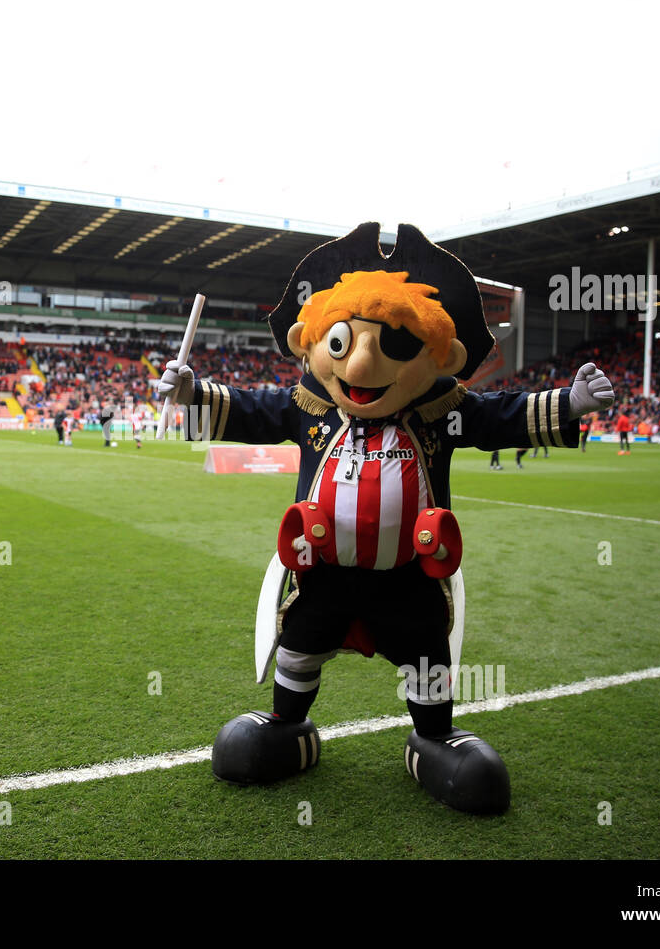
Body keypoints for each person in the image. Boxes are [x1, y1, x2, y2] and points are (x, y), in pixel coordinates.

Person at [160, 223, 616, 814]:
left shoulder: (439, 412)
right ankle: (287, 725)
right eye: (341, 343)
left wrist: (572, 404)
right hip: (325, 573)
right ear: (311, 342)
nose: (362, 362)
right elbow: (250, 409)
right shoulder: (310, 408)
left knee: (425, 651)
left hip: (407, 576)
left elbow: (499, 416)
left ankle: (433, 738)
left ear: (439, 356)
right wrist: (193, 393)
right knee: (299, 644)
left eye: (397, 345)